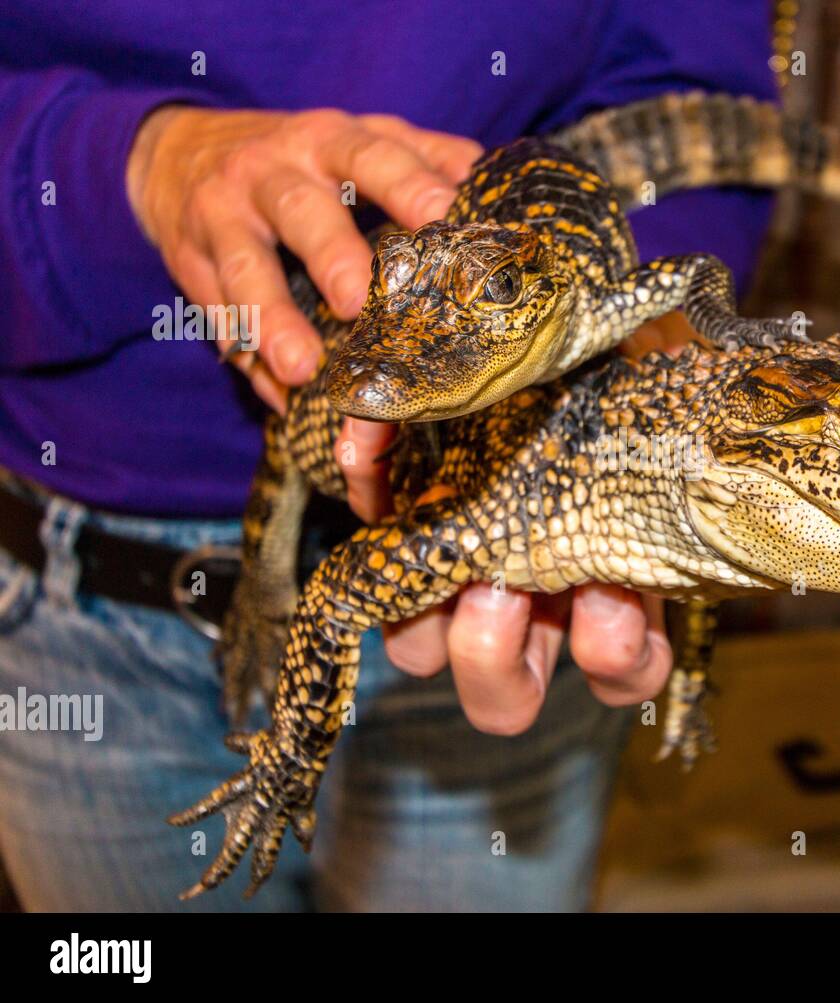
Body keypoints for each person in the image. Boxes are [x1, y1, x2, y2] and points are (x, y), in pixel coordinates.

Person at [0, 3, 775, 911]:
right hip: (72, 604)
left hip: (530, 584)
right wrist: (121, 161)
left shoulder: (596, 304)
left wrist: (674, 368)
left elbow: (686, 100)